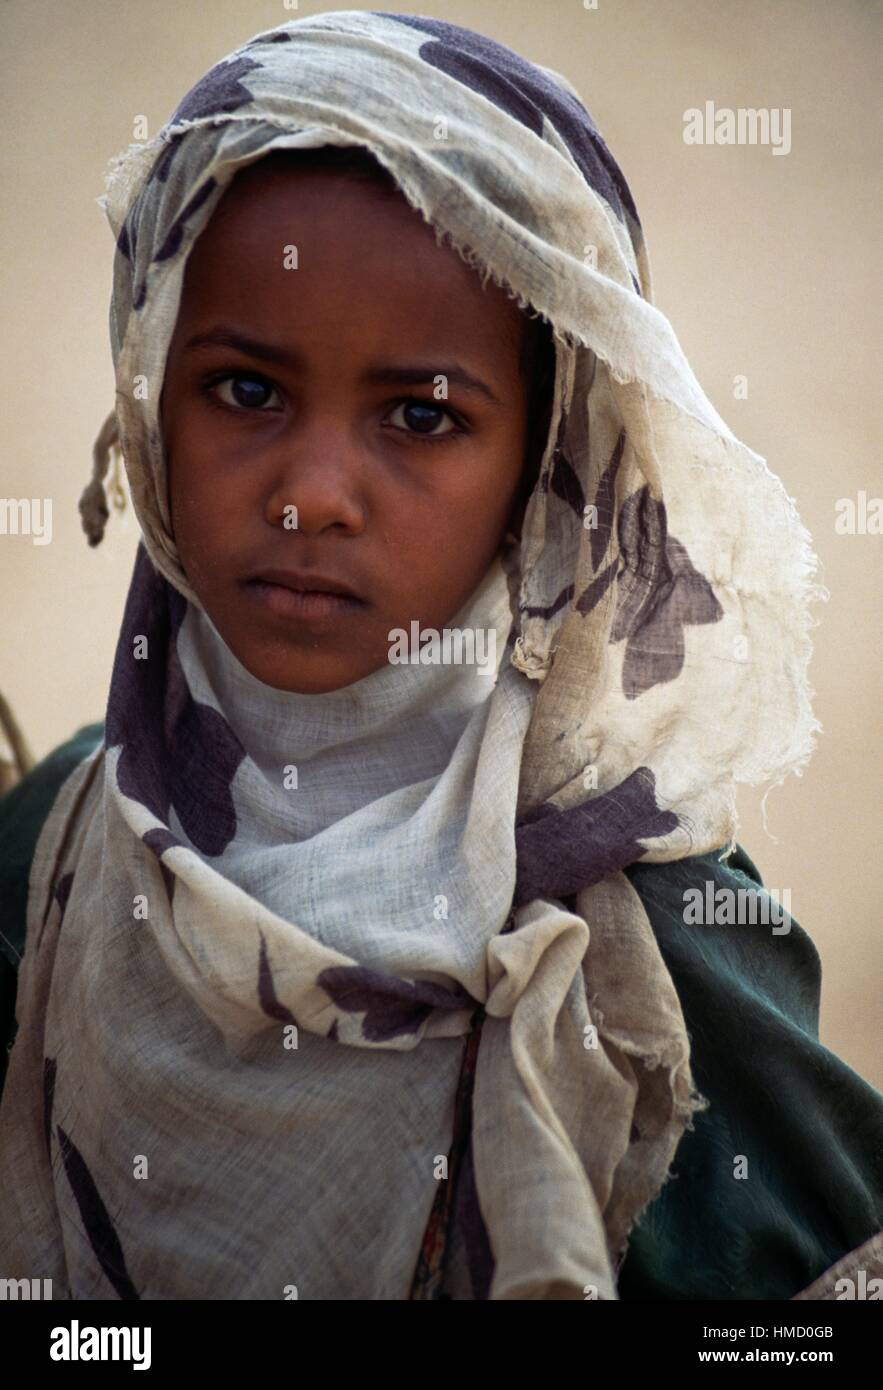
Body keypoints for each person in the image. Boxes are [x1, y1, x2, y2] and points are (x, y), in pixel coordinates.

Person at [0, 10, 880, 1301]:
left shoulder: (659, 959)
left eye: (421, 415)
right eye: (245, 388)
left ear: (546, 468)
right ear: (149, 396)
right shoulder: (56, 858)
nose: (310, 494)